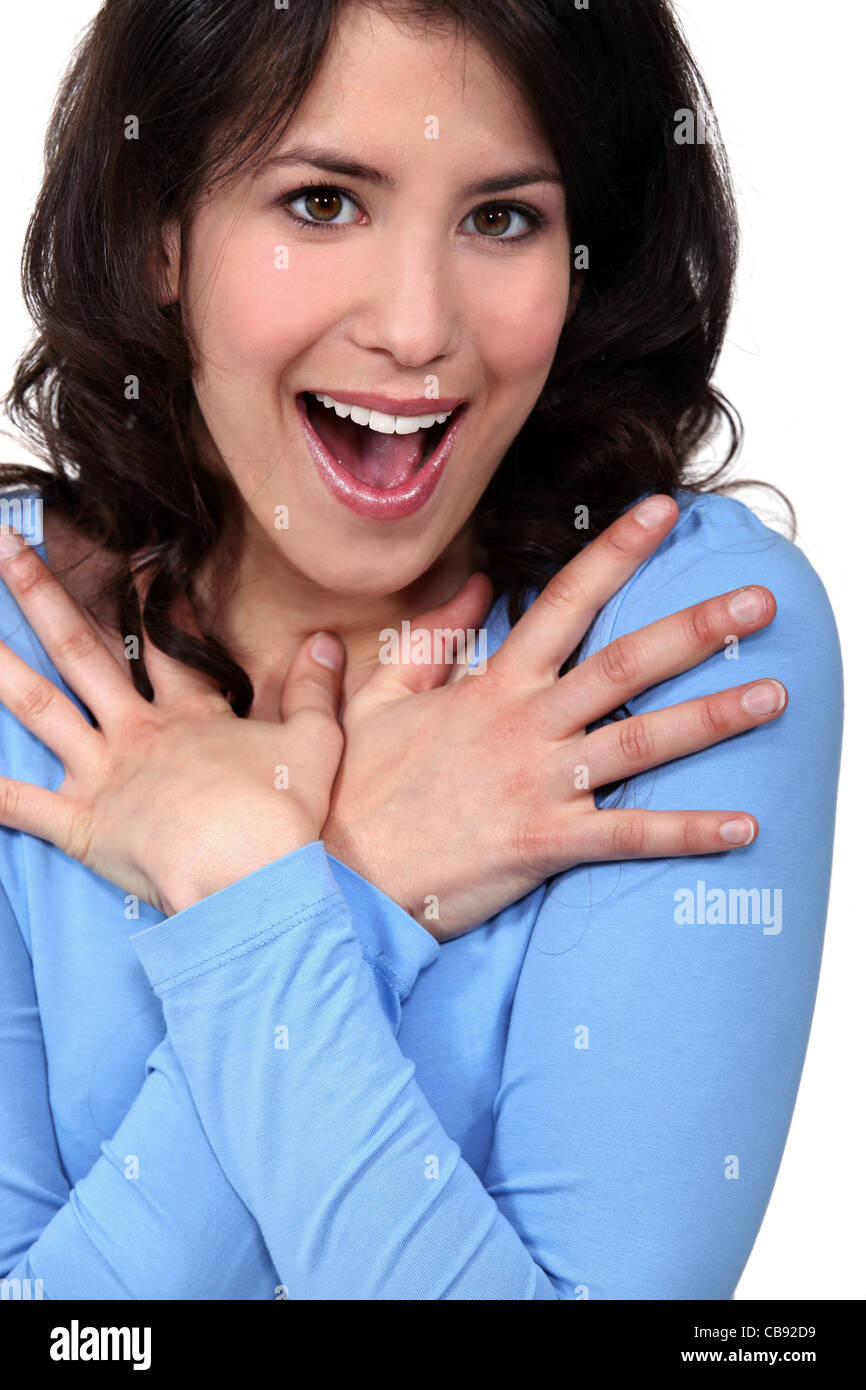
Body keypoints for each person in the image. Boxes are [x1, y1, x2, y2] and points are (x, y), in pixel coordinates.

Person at [0, 0, 842, 1299]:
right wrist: (366, 872)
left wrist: (259, 893)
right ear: (160, 233)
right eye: (323, 203)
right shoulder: (20, 636)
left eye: (502, 218)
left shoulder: (677, 637)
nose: (413, 327)